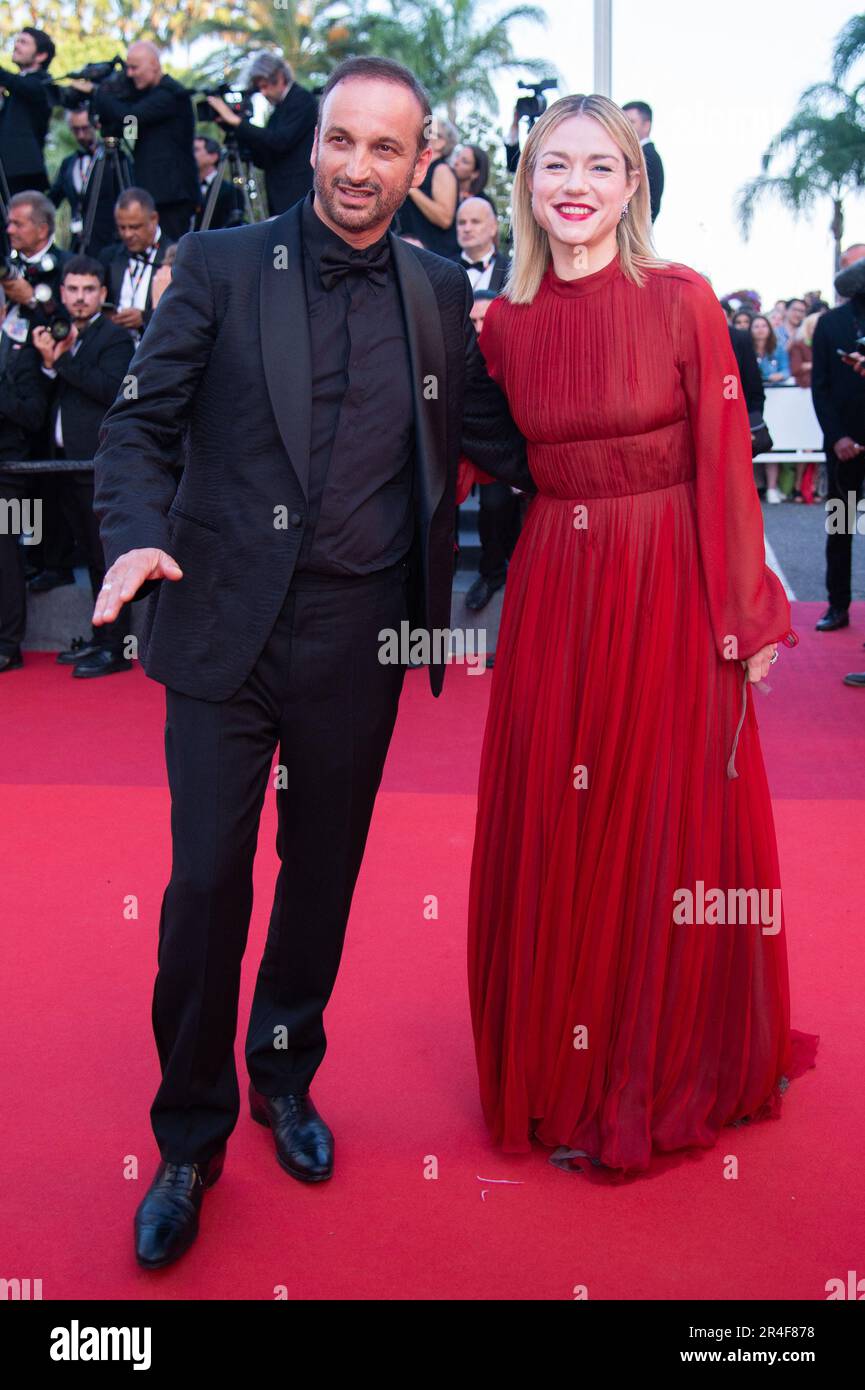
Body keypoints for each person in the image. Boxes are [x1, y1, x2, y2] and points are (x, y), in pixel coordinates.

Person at [90, 54, 533, 1270]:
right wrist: (131, 539)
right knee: (203, 891)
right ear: (312, 141)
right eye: (339, 142)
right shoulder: (224, 265)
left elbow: (499, 441)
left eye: (384, 150)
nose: (354, 167)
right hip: (221, 622)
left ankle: (285, 1070)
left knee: (321, 873)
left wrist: (641, 509)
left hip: (361, 639)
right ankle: (187, 1137)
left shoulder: (441, 293)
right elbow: (140, 425)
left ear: (418, 159)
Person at [459, 92, 817, 1180]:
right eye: (553, 165)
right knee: (560, 830)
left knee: (657, 822)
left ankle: (655, 1071)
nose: (574, 184)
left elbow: (722, 454)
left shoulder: (680, 300)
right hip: (556, 594)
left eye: (600, 167)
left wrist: (744, 610)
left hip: (668, 581)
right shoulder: (502, 326)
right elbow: (458, 454)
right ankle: (564, 1074)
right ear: (524, 185)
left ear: (631, 186)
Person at [31, 255, 136, 677]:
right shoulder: (61, 337)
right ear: (62, 293)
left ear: (103, 294)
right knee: (88, 558)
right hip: (65, 467)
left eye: (88, 289)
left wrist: (63, 362)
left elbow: (111, 389)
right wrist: (49, 359)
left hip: (99, 465)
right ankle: (100, 638)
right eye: (72, 290)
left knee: (105, 557)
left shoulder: (113, 339)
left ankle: (116, 647)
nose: (79, 297)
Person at [74, 41, 199, 241]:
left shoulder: (170, 94)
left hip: (172, 195)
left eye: (134, 67)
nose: (129, 74)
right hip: (152, 189)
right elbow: (131, 131)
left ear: (154, 65)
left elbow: (130, 118)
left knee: (174, 252)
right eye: (127, 67)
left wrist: (97, 93)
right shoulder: (147, 97)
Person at [811, 255, 865, 632]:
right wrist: (838, 438)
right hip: (845, 449)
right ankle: (837, 606)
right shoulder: (830, 324)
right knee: (841, 526)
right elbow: (821, 388)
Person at [206, 52, 317, 216]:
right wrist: (234, 128)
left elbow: (279, 141)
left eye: (265, 86)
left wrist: (236, 121)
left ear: (279, 78)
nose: (263, 93)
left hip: (298, 197)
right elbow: (264, 156)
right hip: (281, 198)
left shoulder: (301, 100)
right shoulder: (278, 111)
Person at [97, 187, 175, 344]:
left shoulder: (176, 256)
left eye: (134, 227)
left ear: (153, 219)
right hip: (116, 351)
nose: (127, 234)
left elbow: (181, 314)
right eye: (122, 227)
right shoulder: (109, 256)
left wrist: (144, 318)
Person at [0, 28, 55, 200]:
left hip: (24, 172)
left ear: (41, 55)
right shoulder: (17, 87)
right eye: (17, 41)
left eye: (23, 42)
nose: (16, 45)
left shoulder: (43, 83)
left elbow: (23, 86)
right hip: (7, 171)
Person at [396, 116, 459, 257]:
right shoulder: (417, 170)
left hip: (433, 257)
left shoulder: (441, 170)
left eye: (427, 132)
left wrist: (411, 189)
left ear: (441, 142)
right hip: (409, 253)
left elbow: (445, 218)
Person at [455, 197, 509, 292]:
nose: (467, 229)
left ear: (493, 227)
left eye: (475, 222)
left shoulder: (511, 271)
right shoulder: (442, 268)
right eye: (461, 222)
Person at [622, 100, 664, 220]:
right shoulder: (643, 155)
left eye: (631, 122)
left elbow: (646, 204)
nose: (626, 128)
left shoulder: (646, 157)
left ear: (646, 125)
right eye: (623, 123)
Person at [452, 143, 495, 208]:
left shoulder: (484, 203)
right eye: (457, 156)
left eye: (464, 161)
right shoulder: (443, 191)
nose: (456, 162)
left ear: (475, 173)